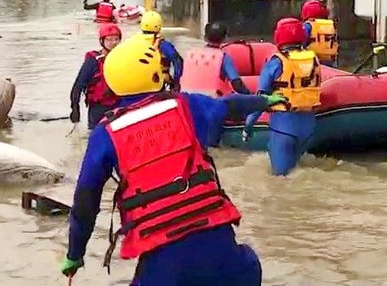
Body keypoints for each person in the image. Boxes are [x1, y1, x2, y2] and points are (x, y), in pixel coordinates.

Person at [59, 37, 288, 285]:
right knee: (249, 261)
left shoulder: (105, 134)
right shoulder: (186, 105)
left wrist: (75, 254)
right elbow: (229, 105)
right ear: (157, 74)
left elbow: (85, 200)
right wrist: (264, 101)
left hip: (163, 265)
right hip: (226, 260)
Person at [243, 17, 321, 176]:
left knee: (280, 180)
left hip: (284, 128)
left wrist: (248, 126)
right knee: (298, 173)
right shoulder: (313, 59)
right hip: (309, 128)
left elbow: (261, 99)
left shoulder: (276, 62)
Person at [69, 23, 123, 129]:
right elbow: (78, 85)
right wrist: (75, 108)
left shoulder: (125, 59)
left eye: (116, 39)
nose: (113, 43)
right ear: (102, 41)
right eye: (109, 40)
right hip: (98, 108)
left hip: (119, 105)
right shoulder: (93, 62)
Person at [137, 10, 183, 91]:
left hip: (140, 82)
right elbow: (178, 61)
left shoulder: (135, 42)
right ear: (159, 26)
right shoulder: (164, 45)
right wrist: (176, 81)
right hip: (160, 83)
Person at [300, 0, 338, 67]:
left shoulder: (308, 26)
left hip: (313, 59)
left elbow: (302, 41)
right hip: (330, 60)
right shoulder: (330, 25)